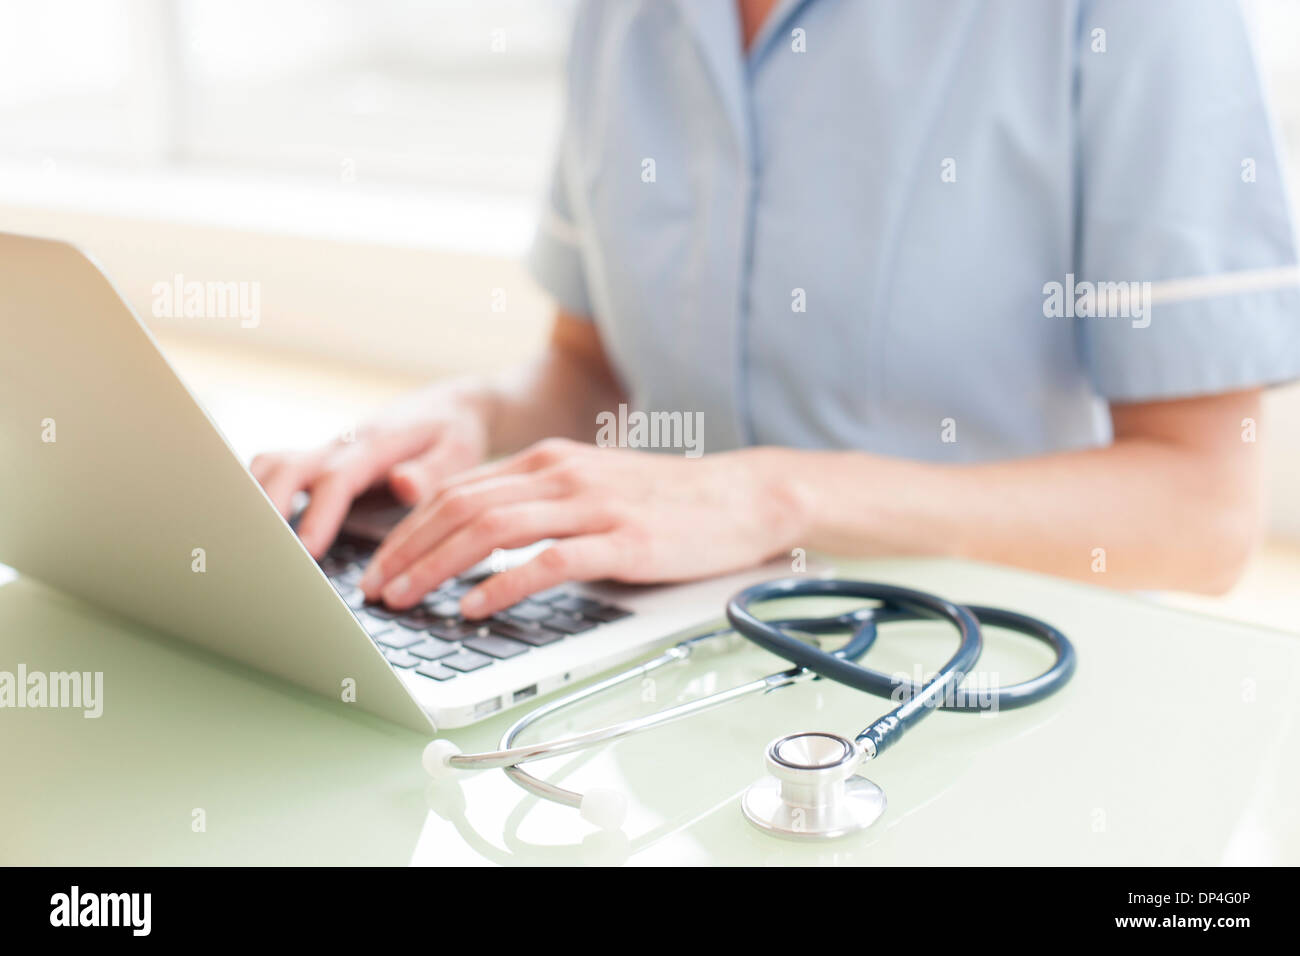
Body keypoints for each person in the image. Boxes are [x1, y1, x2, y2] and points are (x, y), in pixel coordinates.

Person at [251, 0, 1300, 621]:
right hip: (658, 670)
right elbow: (589, 365)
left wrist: (774, 498)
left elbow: (1201, 513)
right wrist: (473, 419)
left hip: (999, 674)